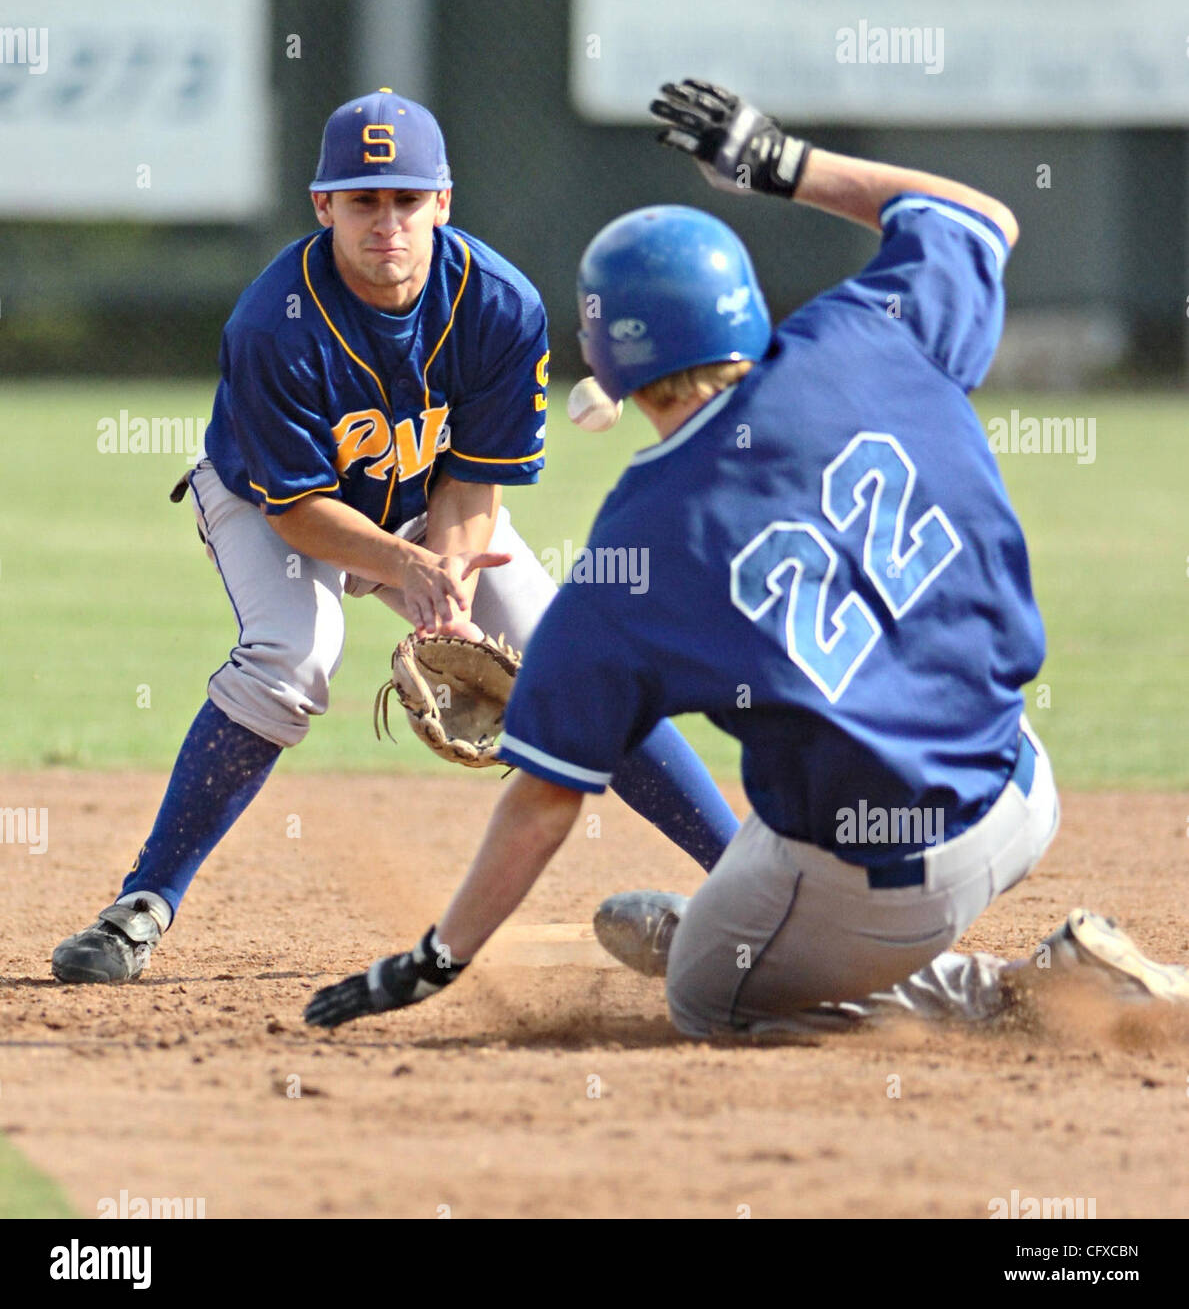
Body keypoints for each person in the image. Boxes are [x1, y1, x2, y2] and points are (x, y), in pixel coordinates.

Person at [303, 79, 1188, 1035]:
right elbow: (978, 217)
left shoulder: (641, 542)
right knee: (791, 810)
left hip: (888, 882)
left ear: (607, 364)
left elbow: (546, 802)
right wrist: (784, 163)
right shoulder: (864, 337)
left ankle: (1011, 992)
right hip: (1018, 783)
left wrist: (439, 957)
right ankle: (737, 929)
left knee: (707, 1001)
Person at [51, 87, 738, 985]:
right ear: (323, 205)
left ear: (442, 203)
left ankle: (747, 879)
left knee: (580, 661)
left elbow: (474, 478)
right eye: (363, 199)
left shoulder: (498, 303)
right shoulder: (274, 324)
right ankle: (142, 903)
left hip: (422, 501)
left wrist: (444, 586)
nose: (387, 221)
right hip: (271, 505)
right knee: (293, 657)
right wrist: (406, 566)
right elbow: (296, 510)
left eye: (406, 199)